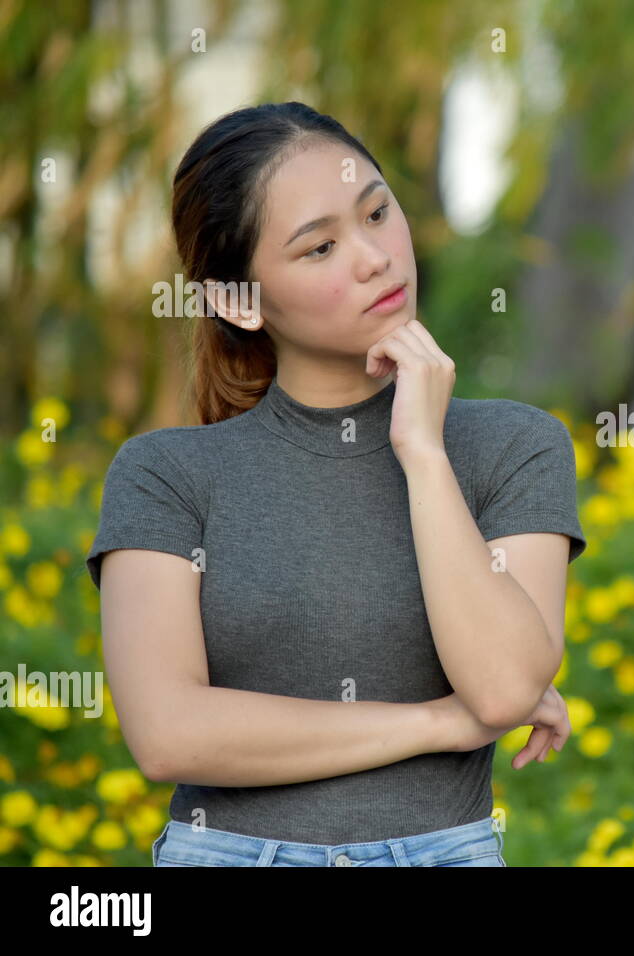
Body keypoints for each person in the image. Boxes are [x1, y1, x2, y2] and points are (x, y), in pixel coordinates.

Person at [85, 102, 587, 867]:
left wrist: (423, 450)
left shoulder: (514, 447)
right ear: (236, 301)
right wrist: (438, 725)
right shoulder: (168, 476)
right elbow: (168, 734)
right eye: (319, 248)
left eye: (378, 212)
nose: (374, 257)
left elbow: (503, 687)